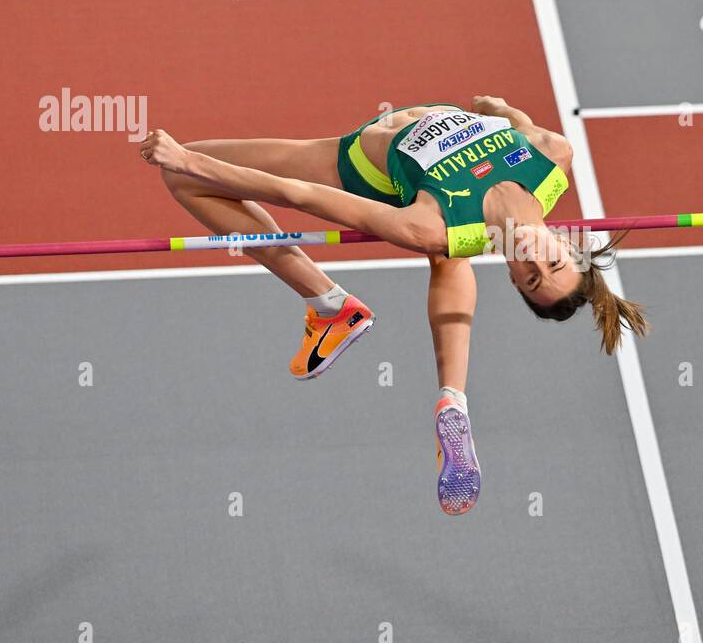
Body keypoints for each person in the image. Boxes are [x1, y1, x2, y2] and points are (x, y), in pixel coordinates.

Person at [143, 97, 647, 514]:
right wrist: (505, 111)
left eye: (532, 278)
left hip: (361, 163)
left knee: (185, 176)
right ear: (569, 244)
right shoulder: (553, 160)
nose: (536, 261)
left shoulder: (433, 226)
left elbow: (298, 194)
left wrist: (190, 161)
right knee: (451, 254)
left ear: (513, 279)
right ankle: (451, 396)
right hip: (432, 171)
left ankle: (328, 303)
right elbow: (525, 130)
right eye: (556, 264)